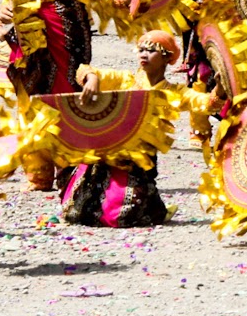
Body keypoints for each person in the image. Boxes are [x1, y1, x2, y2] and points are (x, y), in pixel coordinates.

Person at [12, 0, 132, 189]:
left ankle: (70, 165)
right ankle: (38, 169)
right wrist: (8, 10)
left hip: (72, 35)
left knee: (71, 91)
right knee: (35, 93)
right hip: (37, 34)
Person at [62, 32, 220, 227]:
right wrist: (92, 78)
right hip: (107, 154)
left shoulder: (173, 92)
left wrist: (219, 91)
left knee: (124, 215)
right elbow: (83, 69)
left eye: (152, 51)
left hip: (139, 162)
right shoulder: (126, 80)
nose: (144, 55)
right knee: (76, 213)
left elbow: (205, 103)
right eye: (142, 50)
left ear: (167, 58)